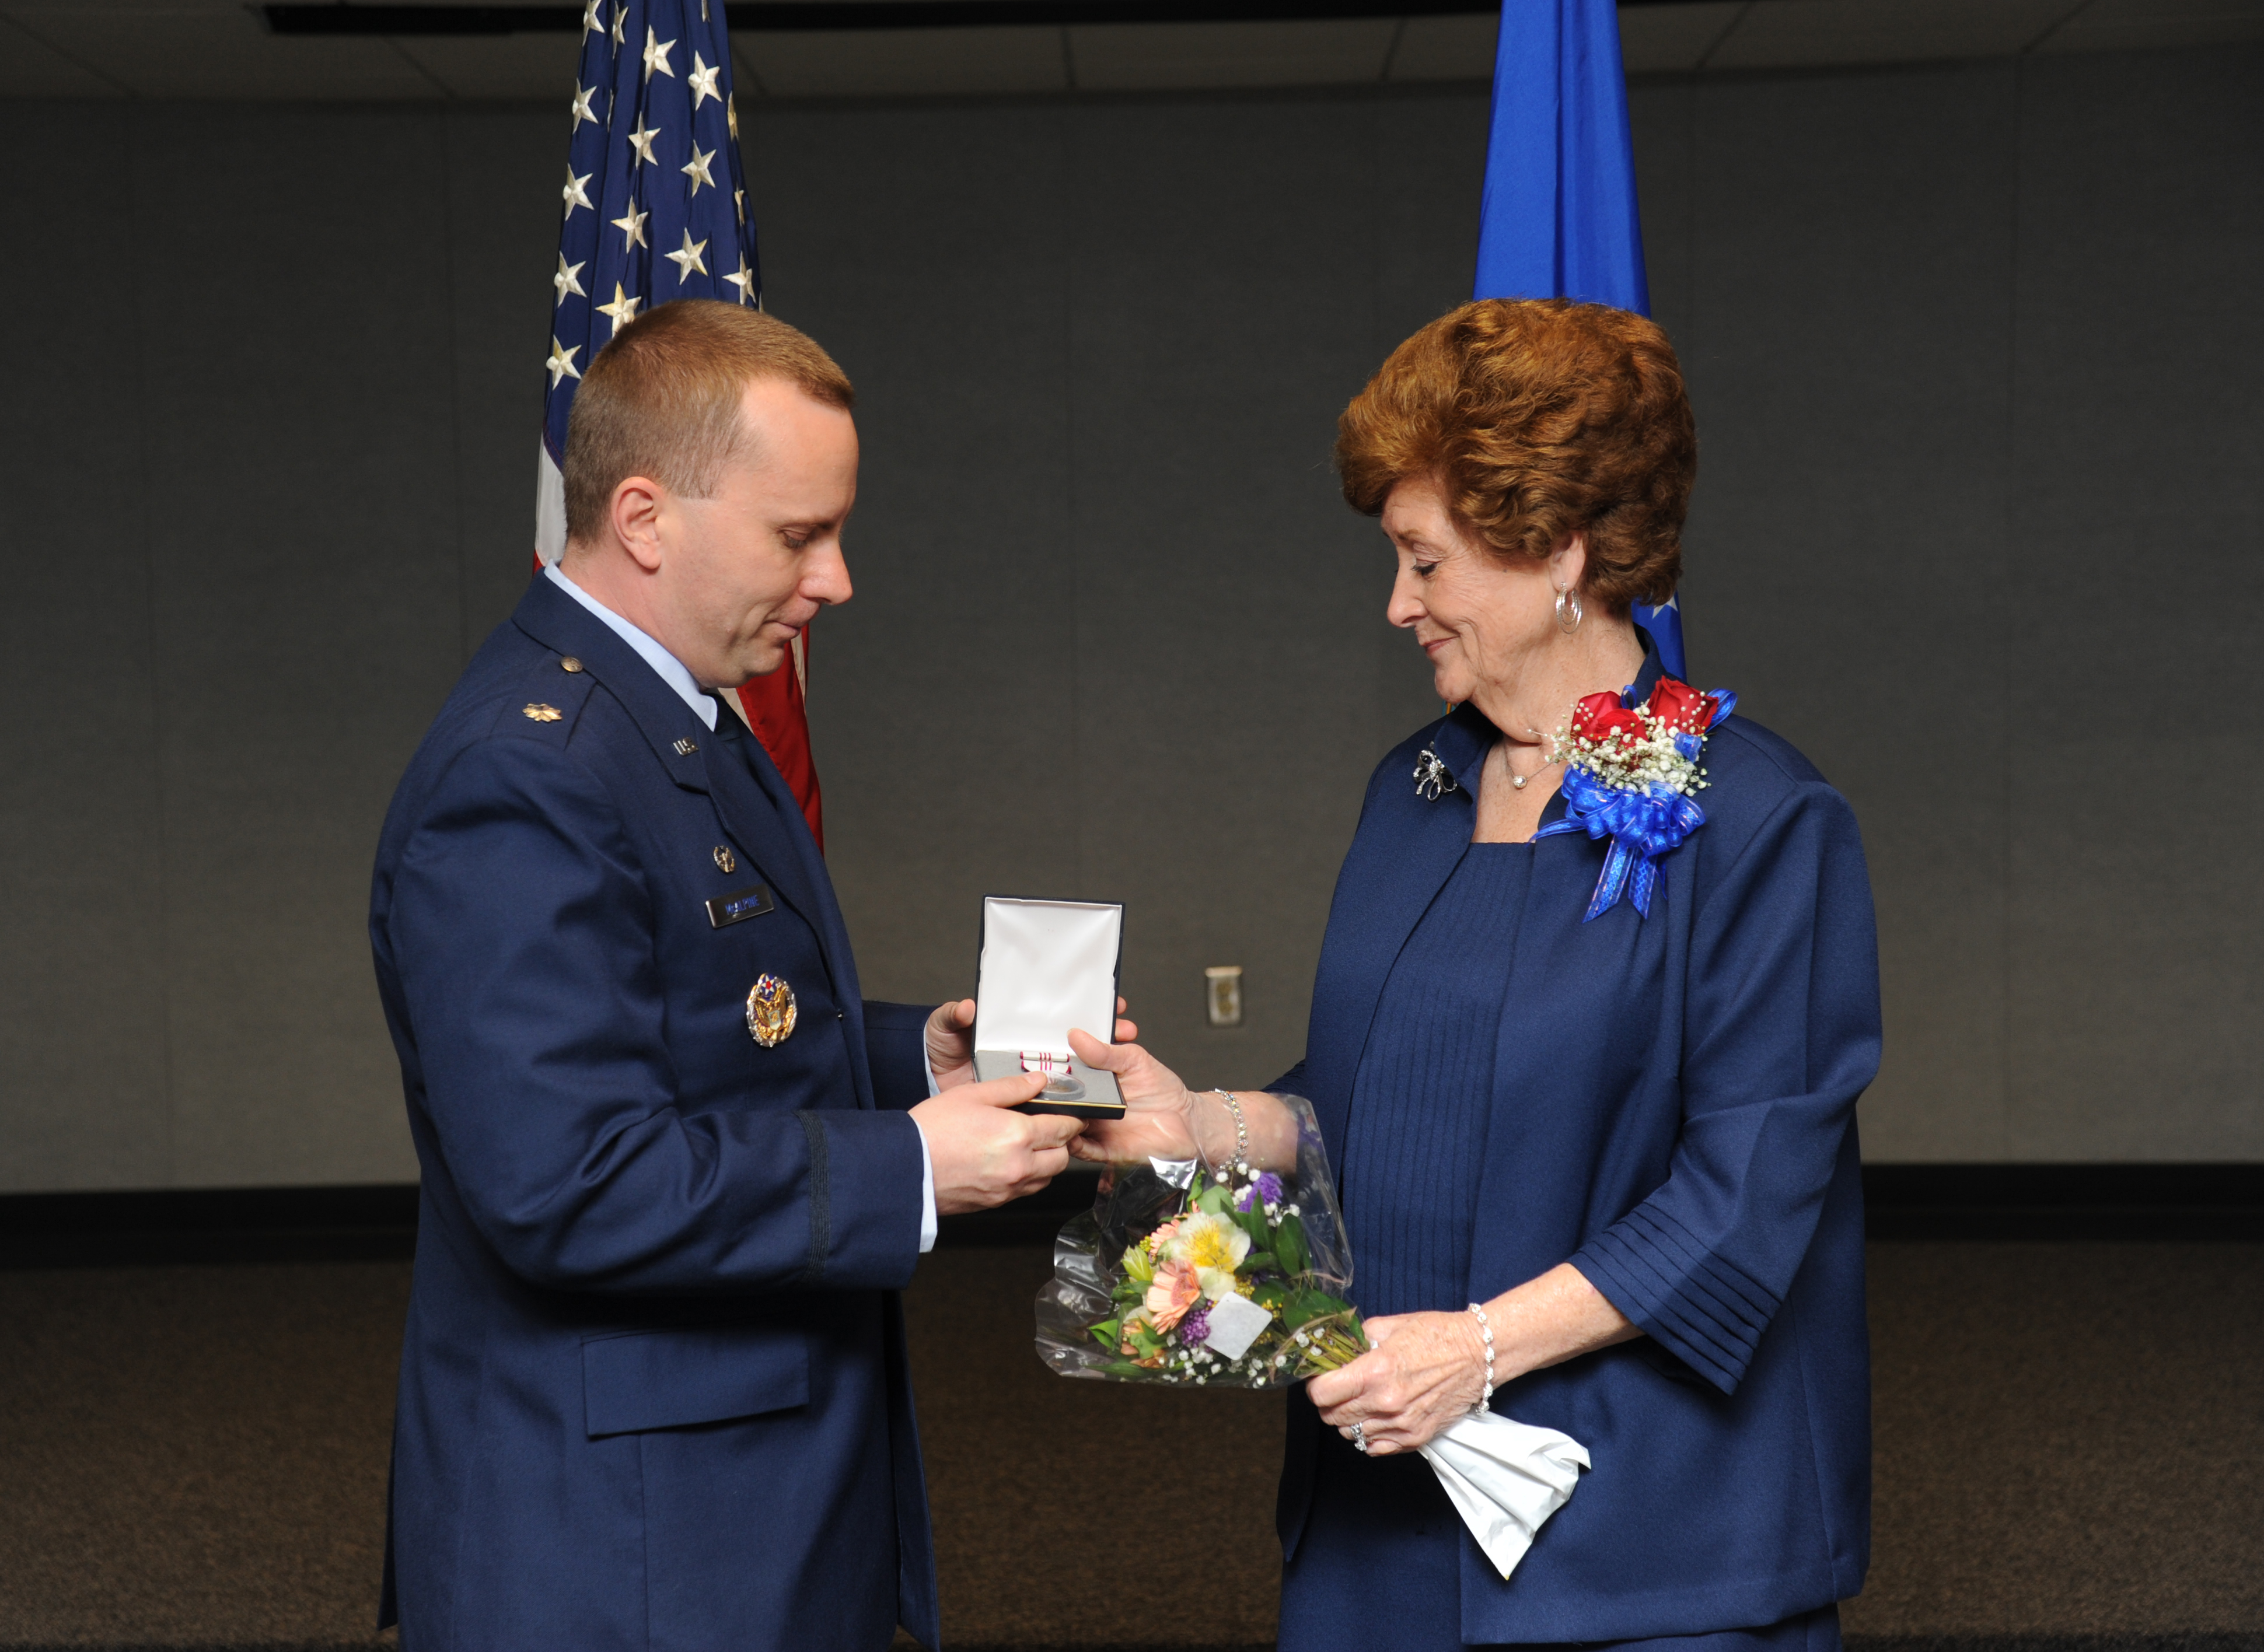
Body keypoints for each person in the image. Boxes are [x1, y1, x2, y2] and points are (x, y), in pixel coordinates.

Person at [1075, 298, 1879, 1652]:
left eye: (1424, 562)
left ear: (1556, 550)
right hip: (1381, 1507)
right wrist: (1202, 1122)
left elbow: (1741, 1199)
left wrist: (1478, 1350)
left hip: (1639, 1536)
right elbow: (1368, 1097)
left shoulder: (1754, 821)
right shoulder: (1416, 788)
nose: (1396, 605)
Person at [369, 299, 1121, 1652]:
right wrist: (907, 1164)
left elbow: (717, 1024)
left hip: (729, 1490)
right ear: (647, 519)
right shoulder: (524, 773)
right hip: (626, 1542)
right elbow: (570, 1184)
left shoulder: (671, 716)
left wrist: (921, 1061)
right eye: (799, 535)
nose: (835, 580)